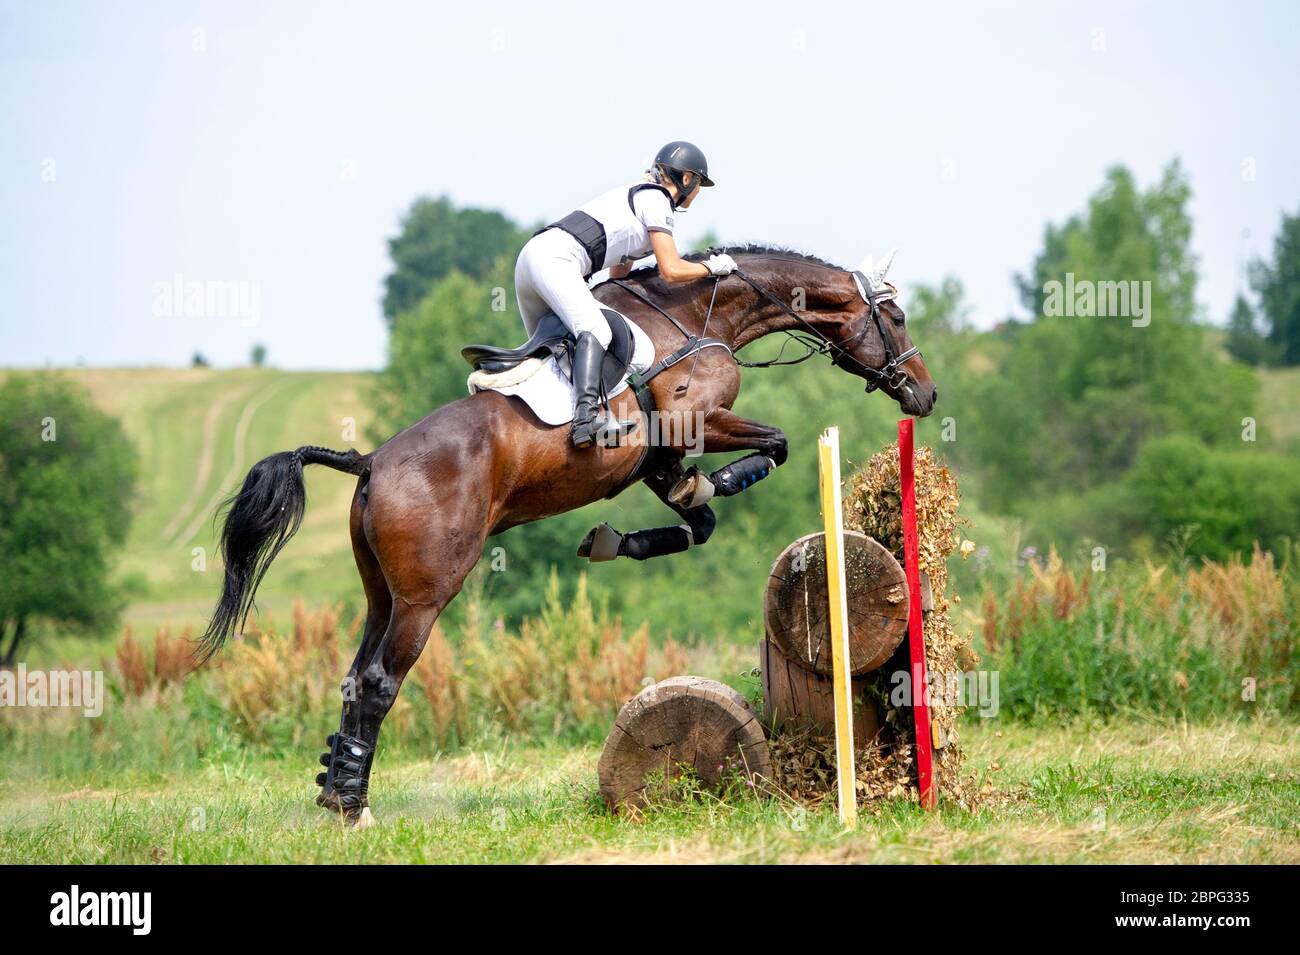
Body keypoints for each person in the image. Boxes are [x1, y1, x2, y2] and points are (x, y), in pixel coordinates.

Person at [515, 141, 737, 448]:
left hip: (532, 260)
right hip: (556, 261)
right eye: (700, 184)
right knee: (596, 332)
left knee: (554, 358)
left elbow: (619, 273)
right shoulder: (656, 200)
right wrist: (712, 268)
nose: (698, 193)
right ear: (687, 179)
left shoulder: (639, 193)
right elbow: (672, 270)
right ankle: (586, 421)